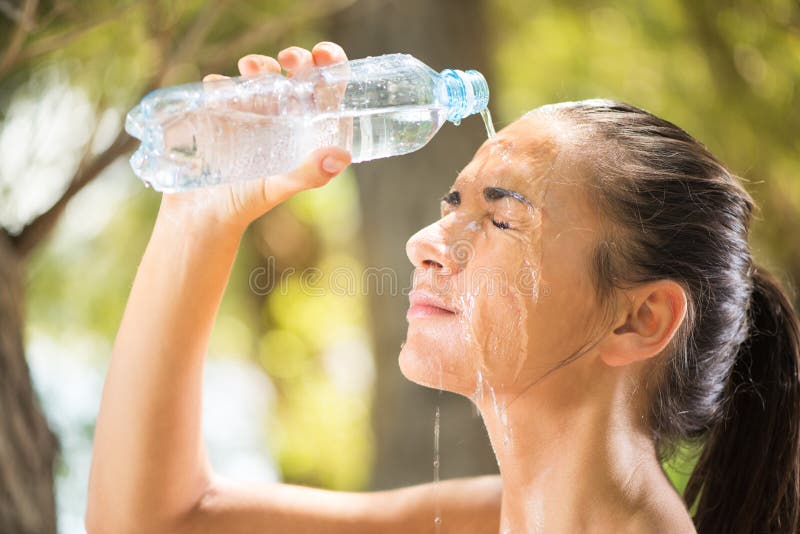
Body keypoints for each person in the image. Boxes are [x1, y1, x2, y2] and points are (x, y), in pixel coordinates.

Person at [86, 42, 800, 534]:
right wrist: (202, 215)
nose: (425, 244)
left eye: (501, 217)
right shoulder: (486, 519)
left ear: (639, 319)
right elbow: (156, 519)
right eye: (451, 204)